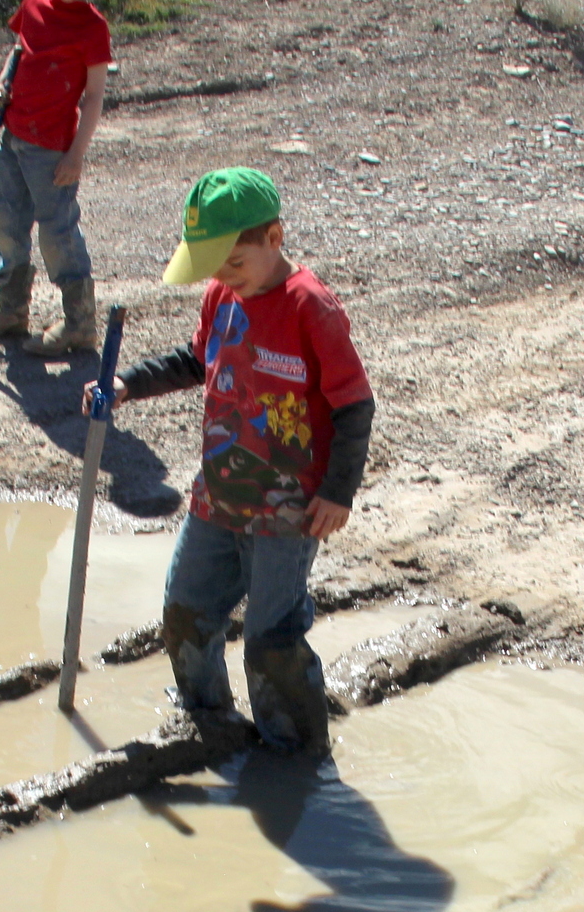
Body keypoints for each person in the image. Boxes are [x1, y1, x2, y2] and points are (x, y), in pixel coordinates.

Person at [83, 168, 374, 755]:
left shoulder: (309, 307)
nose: (223, 277)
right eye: (212, 267)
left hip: (288, 512)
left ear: (274, 237)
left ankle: (296, 755)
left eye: (234, 263)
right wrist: (125, 384)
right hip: (217, 494)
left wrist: (338, 491)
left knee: (272, 637)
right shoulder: (222, 295)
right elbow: (197, 361)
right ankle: (208, 722)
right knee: (185, 611)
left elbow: (354, 404)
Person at [0, 0, 111, 357]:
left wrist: (77, 154)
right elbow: (19, 50)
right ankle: (12, 312)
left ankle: (80, 324)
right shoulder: (31, 5)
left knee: (57, 234)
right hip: (14, 138)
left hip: (53, 152)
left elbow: (95, 95)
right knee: (6, 222)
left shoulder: (93, 27)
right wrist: (2, 81)